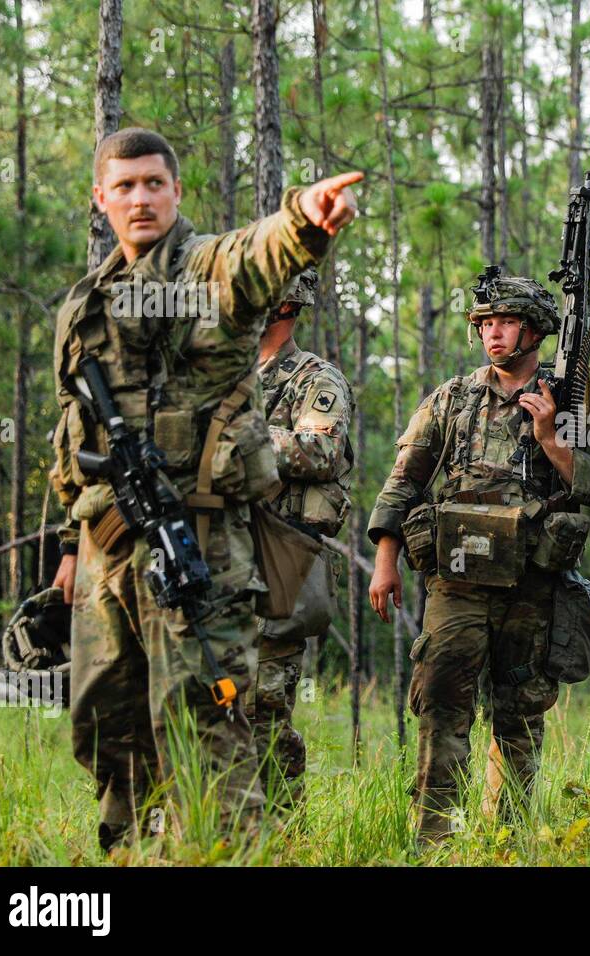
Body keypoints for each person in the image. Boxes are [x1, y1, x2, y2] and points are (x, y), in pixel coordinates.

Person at [49, 126, 361, 851]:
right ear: (101, 198)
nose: (140, 198)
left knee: (209, 729)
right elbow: (72, 430)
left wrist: (303, 222)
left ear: (176, 190)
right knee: (105, 725)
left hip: (199, 545)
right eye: (123, 186)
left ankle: (223, 855)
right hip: (105, 550)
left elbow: (261, 254)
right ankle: (136, 854)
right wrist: (71, 546)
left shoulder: (209, 271)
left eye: (153, 183)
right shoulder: (84, 305)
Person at [366, 270, 590, 844]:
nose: (493, 334)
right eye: (485, 323)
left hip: (530, 585)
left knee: (521, 714)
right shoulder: (454, 397)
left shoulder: (566, 399)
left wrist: (551, 437)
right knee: (441, 702)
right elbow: (404, 481)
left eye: (505, 322)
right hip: (456, 583)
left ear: (533, 331)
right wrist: (386, 559)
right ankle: (432, 838)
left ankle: (509, 840)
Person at [249, 268, 353, 812]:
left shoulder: (315, 380)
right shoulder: (225, 375)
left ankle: (284, 833)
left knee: (265, 707)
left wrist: (236, 440)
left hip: (278, 559)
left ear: (285, 308)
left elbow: (319, 452)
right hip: (213, 554)